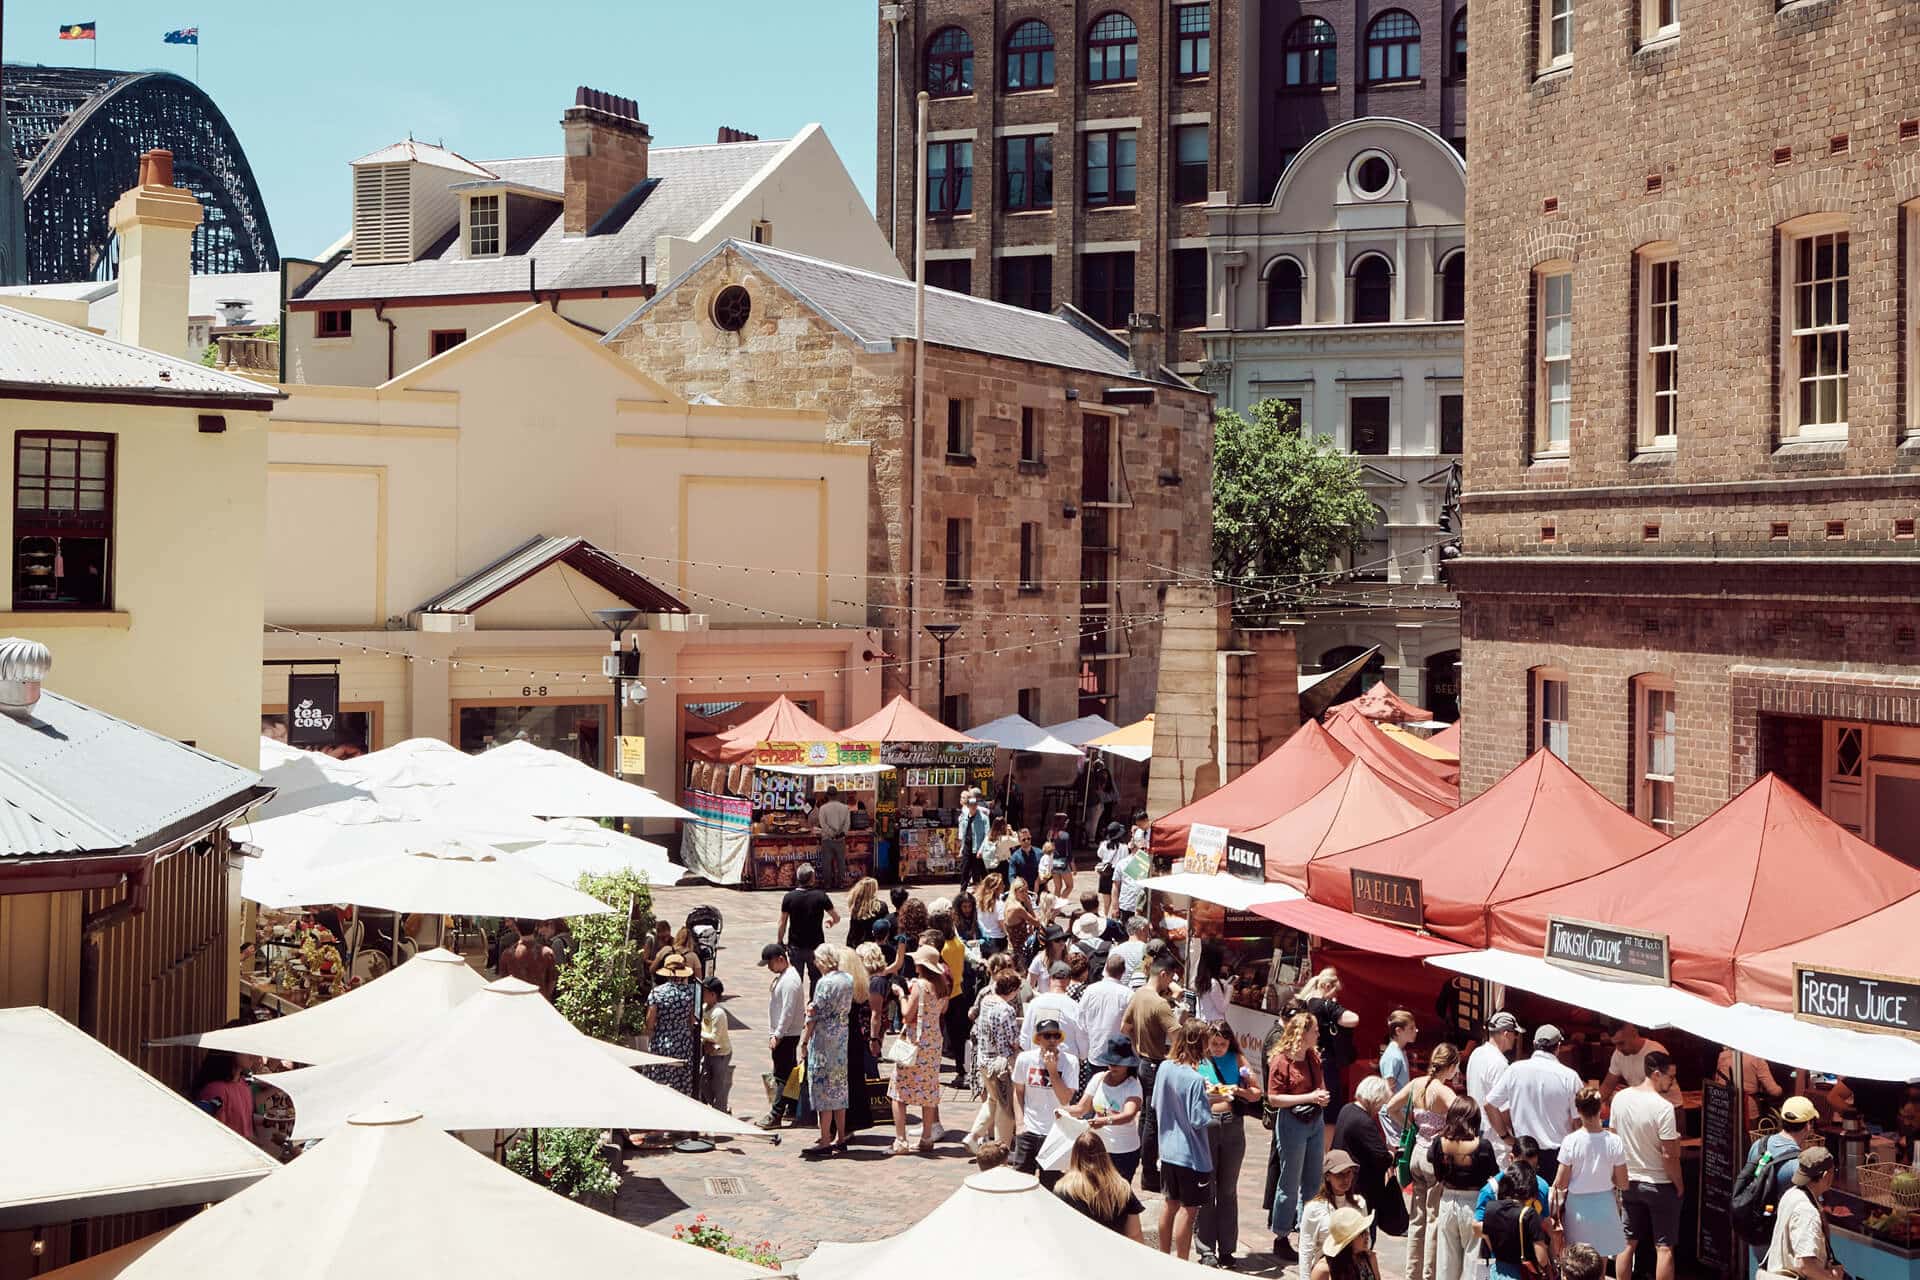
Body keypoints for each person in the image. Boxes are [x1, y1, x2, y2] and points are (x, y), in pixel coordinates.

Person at [1391, 1042, 1463, 1280]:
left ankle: (1412, 1275)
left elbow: (1391, 1107)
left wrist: (1414, 1124)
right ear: (1451, 1066)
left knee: (1417, 1219)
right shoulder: (1443, 1091)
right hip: (1435, 1158)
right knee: (1433, 1220)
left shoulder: (1416, 1084)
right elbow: (1466, 1115)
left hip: (1416, 1155)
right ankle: (1428, 1275)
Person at [1198, 1018, 1264, 1267]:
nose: (1217, 1048)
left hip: (1232, 1124)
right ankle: (1206, 1248)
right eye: (1214, 1043)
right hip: (1208, 1123)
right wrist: (1209, 1091)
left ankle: (1227, 1248)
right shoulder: (1199, 1059)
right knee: (1208, 1188)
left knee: (1227, 1190)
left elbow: (1256, 1092)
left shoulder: (1238, 1059)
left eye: (1222, 1044)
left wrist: (1239, 1091)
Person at [1613, 1050, 1684, 1280]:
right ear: (1656, 1074)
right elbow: (1669, 1154)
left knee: (1627, 1242)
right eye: (1670, 1077)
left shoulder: (1620, 1098)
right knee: (1663, 1247)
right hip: (1659, 1184)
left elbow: (1613, 1139)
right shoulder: (1663, 1108)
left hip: (1629, 1181)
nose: (1672, 1083)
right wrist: (1679, 1183)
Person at [1268, 1009, 1331, 1261]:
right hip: (1292, 1122)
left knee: (1314, 1181)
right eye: (1315, 1030)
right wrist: (1310, 1097)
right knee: (1289, 1181)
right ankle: (1281, 1235)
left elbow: (1321, 1086)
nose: (1318, 1033)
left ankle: (1308, 1232)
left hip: (1314, 1120)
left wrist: (1321, 1097)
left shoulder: (1313, 1057)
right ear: (1303, 1032)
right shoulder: (1282, 1060)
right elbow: (1273, 1098)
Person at [1155, 1020, 1220, 1260]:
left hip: (1167, 1151)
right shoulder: (1194, 1080)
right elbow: (1199, 1119)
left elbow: (1156, 1104)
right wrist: (1208, 1097)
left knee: (1170, 1204)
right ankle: (1182, 1263)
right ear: (1199, 1043)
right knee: (1188, 1210)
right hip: (1192, 1156)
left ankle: (1162, 1256)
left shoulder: (1164, 1068)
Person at [1484, 1024, 1580, 1183]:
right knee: (1552, 1203)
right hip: (1557, 1156)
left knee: (1522, 1203)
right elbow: (1578, 1122)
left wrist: (1506, 1137)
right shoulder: (1570, 1077)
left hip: (1524, 1152)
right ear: (1558, 1047)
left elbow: (1489, 1104)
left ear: (1535, 1045)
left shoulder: (1515, 1070)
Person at [1123, 955, 1181, 1192]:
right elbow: (1178, 1036)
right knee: (1153, 1121)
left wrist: (1138, 1044)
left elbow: (1124, 1028)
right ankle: (1149, 1172)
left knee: (1146, 1117)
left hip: (1143, 1062)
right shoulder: (1159, 1004)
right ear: (1164, 974)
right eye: (1170, 978)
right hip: (1157, 1063)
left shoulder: (1138, 995)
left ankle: (1145, 1167)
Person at [1744, 1096, 1819, 1274]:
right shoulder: (1797, 1164)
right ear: (1808, 1126)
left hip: (1757, 1230)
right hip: (1780, 1242)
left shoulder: (1759, 1145)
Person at [1429, 1097, 1500, 1280]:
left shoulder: (1439, 1142)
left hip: (1447, 1201)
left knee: (1446, 1262)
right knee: (1472, 1262)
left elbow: (1432, 1162)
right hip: (1474, 1203)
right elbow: (1493, 1173)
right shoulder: (1483, 1146)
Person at [888, 943, 949, 1155]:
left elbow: (906, 1014)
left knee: (898, 1091)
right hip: (933, 1042)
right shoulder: (943, 986)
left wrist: (901, 995)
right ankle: (926, 1137)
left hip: (916, 1042)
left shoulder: (920, 986)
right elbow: (942, 1010)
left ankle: (901, 1140)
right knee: (929, 1090)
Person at [1553, 1085, 1628, 1256]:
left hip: (1577, 1210)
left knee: (1576, 1264)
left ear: (1578, 1110)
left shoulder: (1570, 1141)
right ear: (1601, 1108)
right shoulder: (1615, 1141)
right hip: (1605, 1207)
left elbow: (1561, 1183)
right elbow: (1623, 1182)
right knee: (1599, 1266)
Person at [1335, 1075, 1409, 1237]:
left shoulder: (1347, 1110)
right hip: (1360, 1188)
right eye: (1381, 1103)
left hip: (1345, 1183)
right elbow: (1381, 1158)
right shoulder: (1363, 1121)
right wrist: (1392, 1154)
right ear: (1374, 1100)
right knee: (1365, 1235)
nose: (1379, 1109)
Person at [1064, 1035, 1145, 1182]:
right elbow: (1082, 1108)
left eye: (1118, 1063)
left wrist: (1105, 1121)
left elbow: (1129, 1115)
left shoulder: (1133, 1085)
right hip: (1098, 1149)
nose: (1113, 1066)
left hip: (1123, 1151)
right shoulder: (1098, 1078)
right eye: (1111, 1062)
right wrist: (1062, 1111)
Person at [1011, 1017, 1079, 1180]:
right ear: (1038, 1039)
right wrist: (1020, 1124)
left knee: (1051, 1185)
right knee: (1022, 1181)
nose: (1052, 1040)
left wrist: (1053, 1071)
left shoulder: (1070, 1062)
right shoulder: (1025, 1059)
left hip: (1055, 1132)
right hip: (1029, 1129)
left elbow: (1065, 1099)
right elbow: (1018, 1092)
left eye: (1056, 1036)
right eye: (1047, 1036)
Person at [802, 943, 854, 1155]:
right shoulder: (848, 979)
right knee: (839, 1086)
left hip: (824, 1041)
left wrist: (804, 1041)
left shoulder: (824, 983)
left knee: (823, 1088)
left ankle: (824, 1139)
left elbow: (814, 1015)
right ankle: (840, 1136)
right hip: (841, 1037)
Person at [964, 969, 1024, 1153]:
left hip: (984, 1061)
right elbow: (1013, 1041)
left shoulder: (986, 1001)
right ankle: (1001, 1150)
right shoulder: (1006, 1009)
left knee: (992, 1101)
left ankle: (973, 1137)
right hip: (1000, 1065)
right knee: (1006, 1110)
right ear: (1012, 989)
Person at [1763, 1146, 1844, 1280]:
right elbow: (1805, 1265)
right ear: (1826, 1175)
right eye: (1833, 1171)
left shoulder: (1791, 1194)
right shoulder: (1807, 1212)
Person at [1054, 1129, 1147, 1241]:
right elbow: (1134, 1233)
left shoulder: (1063, 1189)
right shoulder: (1122, 1188)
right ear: (1104, 1154)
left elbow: (1058, 1231)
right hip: (1114, 1252)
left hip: (1078, 1253)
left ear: (1075, 1156)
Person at [755, 943, 806, 1130]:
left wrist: (777, 1035)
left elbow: (788, 1011)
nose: (769, 968)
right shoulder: (784, 977)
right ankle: (792, 1106)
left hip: (786, 1033)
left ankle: (776, 1114)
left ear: (780, 959)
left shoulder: (790, 981)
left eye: (770, 963)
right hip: (785, 1032)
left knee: (781, 1075)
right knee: (789, 1072)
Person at [1299, 967, 1362, 1113]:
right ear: (1327, 986)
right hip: (1324, 1064)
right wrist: (1333, 1007)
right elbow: (1353, 1019)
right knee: (1329, 1112)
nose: (1336, 996)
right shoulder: (1321, 1005)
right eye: (1336, 991)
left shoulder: (1305, 1003)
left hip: (1307, 1059)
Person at [1301, 1150, 1372, 1280]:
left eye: (1349, 1173)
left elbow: (1366, 1240)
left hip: (1355, 1270)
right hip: (1327, 1271)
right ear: (1327, 1176)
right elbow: (1306, 1250)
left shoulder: (1360, 1203)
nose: (1345, 1179)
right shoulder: (1313, 1208)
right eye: (1339, 1174)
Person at [642, 951, 699, 1098]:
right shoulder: (691, 993)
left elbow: (650, 1021)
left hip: (662, 1040)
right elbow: (692, 1020)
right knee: (680, 1082)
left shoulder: (657, 993)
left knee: (659, 1081)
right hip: (683, 1041)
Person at [1468, 1012, 1524, 1158]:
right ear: (1506, 1034)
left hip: (1476, 1132)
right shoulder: (1500, 1064)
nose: (1516, 1038)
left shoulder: (1476, 1053)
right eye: (1514, 1034)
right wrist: (1508, 1137)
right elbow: (1503, 1109)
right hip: (1495, 1141)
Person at [1483, 1169, 1554, 1280]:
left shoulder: (1490, 1208)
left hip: (1497, 1272)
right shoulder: (1529, 1214)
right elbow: (1542, 1258)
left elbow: (1487, 1239)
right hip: (1521, 1274)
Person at [778, 864, 839, 992]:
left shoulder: (789, 897)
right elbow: (836, 917)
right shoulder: (821, 896)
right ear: (812, 879)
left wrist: (779, 941)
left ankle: (796, 1006)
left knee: (795, 979)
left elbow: (782, 922)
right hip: (816, 946)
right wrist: (832, 922)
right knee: (816, 978)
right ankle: (813, 1005)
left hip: (795, 946)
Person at [1079, 953, 1136, 1087]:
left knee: (1092, 1097)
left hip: (1095, 1053)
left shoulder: (1090, 990)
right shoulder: (1128, 994)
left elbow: (1080, 1021)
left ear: (1105, 969)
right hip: (1119, 1059)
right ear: (1122, 973)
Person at [1603, 1022, 1684, 1107]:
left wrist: (1624, 1097)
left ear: (1634, 1033)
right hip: (1647, 1109)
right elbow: (1607, 1085)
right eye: (1615, 1044)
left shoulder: (1655, 1052)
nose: (1618, 1049)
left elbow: (1660, 1088)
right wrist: (1591, 1105)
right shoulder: (1618, 1054)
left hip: (1670, 1109)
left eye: (1621, 1043)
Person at [1020, 960, 1088, 1060]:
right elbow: (1082, 1040)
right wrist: (1081, 1057)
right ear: (1069, 981)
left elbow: (1025, 1038)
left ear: (1050, 979)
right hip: (1065, 1064)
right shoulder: (1074, 1007)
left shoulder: (1035, 1003)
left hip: (1037, 1063)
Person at [191, 1050, 254, 1140]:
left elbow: (247, 1130)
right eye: (246, 1049)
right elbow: (217, 1136)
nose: (253, 1055)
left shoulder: (244, 1085)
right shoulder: (215, 1090)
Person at [1309, 1206, 1381, 1280]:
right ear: (1349, 1241)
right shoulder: (1323, 1269)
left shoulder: (1370, 1258)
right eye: (1361, 1233)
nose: (1367, 1235)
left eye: (1365, 1230)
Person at [497, 917, 557, 999]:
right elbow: (552, 981)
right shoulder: (547, 953)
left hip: (516, 1001)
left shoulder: (507, 954)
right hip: (541, 1001)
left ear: (517, 928)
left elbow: (503, 982)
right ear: (535, 927)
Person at [699, 976, 733, 1114]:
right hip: (709, 1052)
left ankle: (721, 1112)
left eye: (705, 992)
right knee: (704, 1081)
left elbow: (714, 1037)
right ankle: (717, 1109)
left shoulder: (718, 1013)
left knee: (718, 1087)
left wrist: (697, 1033)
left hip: (720, 1055)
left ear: (713, 994)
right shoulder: (704, 1008)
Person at [811, 785, 852, 889]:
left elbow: (823, 824)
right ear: (837, 795)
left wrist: (831, 834)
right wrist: (841, 834)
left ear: (827, 795)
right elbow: (847, 824)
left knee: (827, 863)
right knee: (841, 862)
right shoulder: (845, 808)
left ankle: (827, 884)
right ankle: (841, 883)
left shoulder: (823, 808)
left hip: (827, 839)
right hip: (841, 839)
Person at [956, 789, 992, 891]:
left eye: (975, 804)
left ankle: (983, 892)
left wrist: (981, 850)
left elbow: (987, 835)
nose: (973, 807)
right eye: (971, 805)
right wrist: (961, 849)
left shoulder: (983, 818)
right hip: (967, 847)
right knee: (965, 871)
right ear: (968, 806)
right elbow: (963, 834)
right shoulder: (964, 817)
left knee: (978, 872)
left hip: (977, 848)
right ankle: (962, 892)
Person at [1095, 821, 1129, 919]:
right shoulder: (1124, 847)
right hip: (1117, 873)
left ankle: (1105, 916)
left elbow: (1099, 855)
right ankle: (1114, 917)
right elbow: (1125, 860)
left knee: (1106, 899)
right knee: (1116, 897)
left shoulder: (1104, 844)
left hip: (1105, 872)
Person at [1380, 1010, 1418, 1096]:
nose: (1415, 1031)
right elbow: (1389, 1090)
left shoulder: (1400, 1051)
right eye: (1411, 1028)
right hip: (1396, 1109)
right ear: (1398, 1031)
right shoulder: (1393, 1056)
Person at [845, 877, 886, 948]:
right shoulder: (880, 906)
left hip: (857, 944)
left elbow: (853, 929)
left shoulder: (856, 906)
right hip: (874, 945)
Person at [975, 873, 1009, 956]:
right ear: (996, 887)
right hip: (998, 940)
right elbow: (1002, 924)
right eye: (1002, 884)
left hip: (984, 940)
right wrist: (1009, 936)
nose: (1004, 886)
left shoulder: (979, 901)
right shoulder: (1000, 904)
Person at [1114, 915, 1152, 986]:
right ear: (1143, 929)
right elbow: (1148, 970)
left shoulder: (1115, 950)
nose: (1148, 934)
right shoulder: (1147, 949)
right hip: (1137, 991)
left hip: (1118, 989)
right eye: (1148, 930)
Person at [1008, 828, 1043, 895]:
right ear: (1019, 841)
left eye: (1028, 838)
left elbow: (1047, 872)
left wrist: (1038, 881)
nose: (1027, 841)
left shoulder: (1040, 853)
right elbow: (1011, 876)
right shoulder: (1015, 857)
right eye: (1023, 839)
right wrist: (1018, 887)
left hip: (1039, 888)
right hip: (1023, 891)